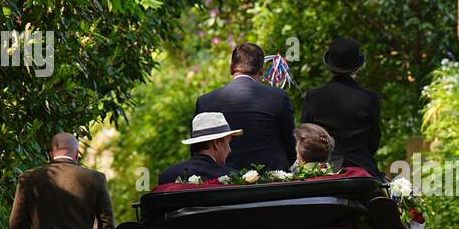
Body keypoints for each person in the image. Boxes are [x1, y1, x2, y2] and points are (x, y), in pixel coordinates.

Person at [195, 41, 295, 172]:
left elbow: (199, 151)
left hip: (222, 182)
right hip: (272, 183)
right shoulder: (279, 97)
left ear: (232, 68)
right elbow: (291, 144)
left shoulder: (206, 101)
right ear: (261, 71)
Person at [301, 37, 382, 177]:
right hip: (361, 168)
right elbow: (373, 142)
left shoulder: (312, 96)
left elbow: (306, 139)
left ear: (329, 65)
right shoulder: (371, 98)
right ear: (358, 66)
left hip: (323, 170)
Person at [159, 112, 243, 184]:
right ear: (216, 143)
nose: (229, 150)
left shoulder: (167, 176)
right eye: (228, 143)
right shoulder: (234, 179)